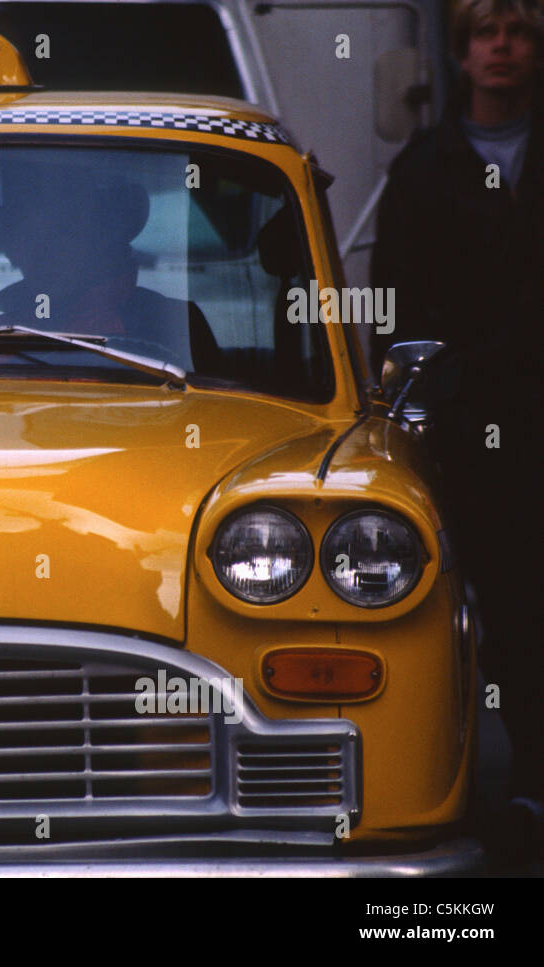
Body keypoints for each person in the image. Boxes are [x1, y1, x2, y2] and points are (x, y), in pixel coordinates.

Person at [371, 0, 544, 814]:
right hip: (467, 430)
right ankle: (460, 791)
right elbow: (398, 303)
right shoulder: (423, 169)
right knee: (460, 610)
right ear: (463, 54)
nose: (503, 48)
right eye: (487, 34)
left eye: (517, 33)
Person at [0, 165, 221, 371]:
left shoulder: (176, 323)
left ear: (100, 238)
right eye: (21, 242)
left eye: (57, 235)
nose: (20, 257)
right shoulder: (6, 333)